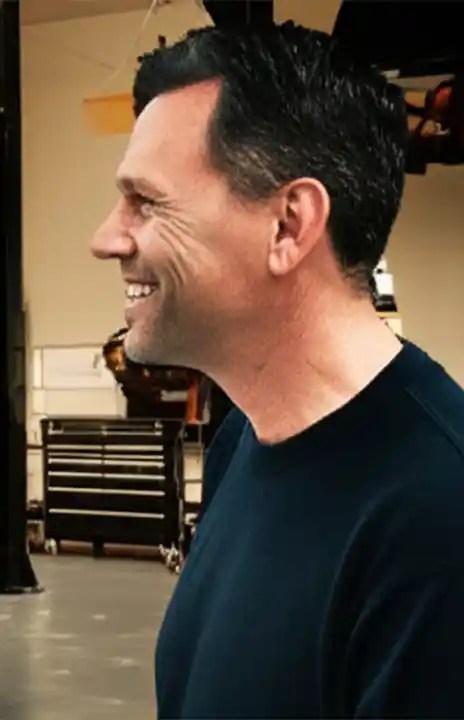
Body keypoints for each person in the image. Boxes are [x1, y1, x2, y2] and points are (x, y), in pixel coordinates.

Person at [89, 21, 464, 719]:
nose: (106, 237)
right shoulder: (242, 445)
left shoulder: (440, 514)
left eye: (146, 201)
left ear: (289, 225)